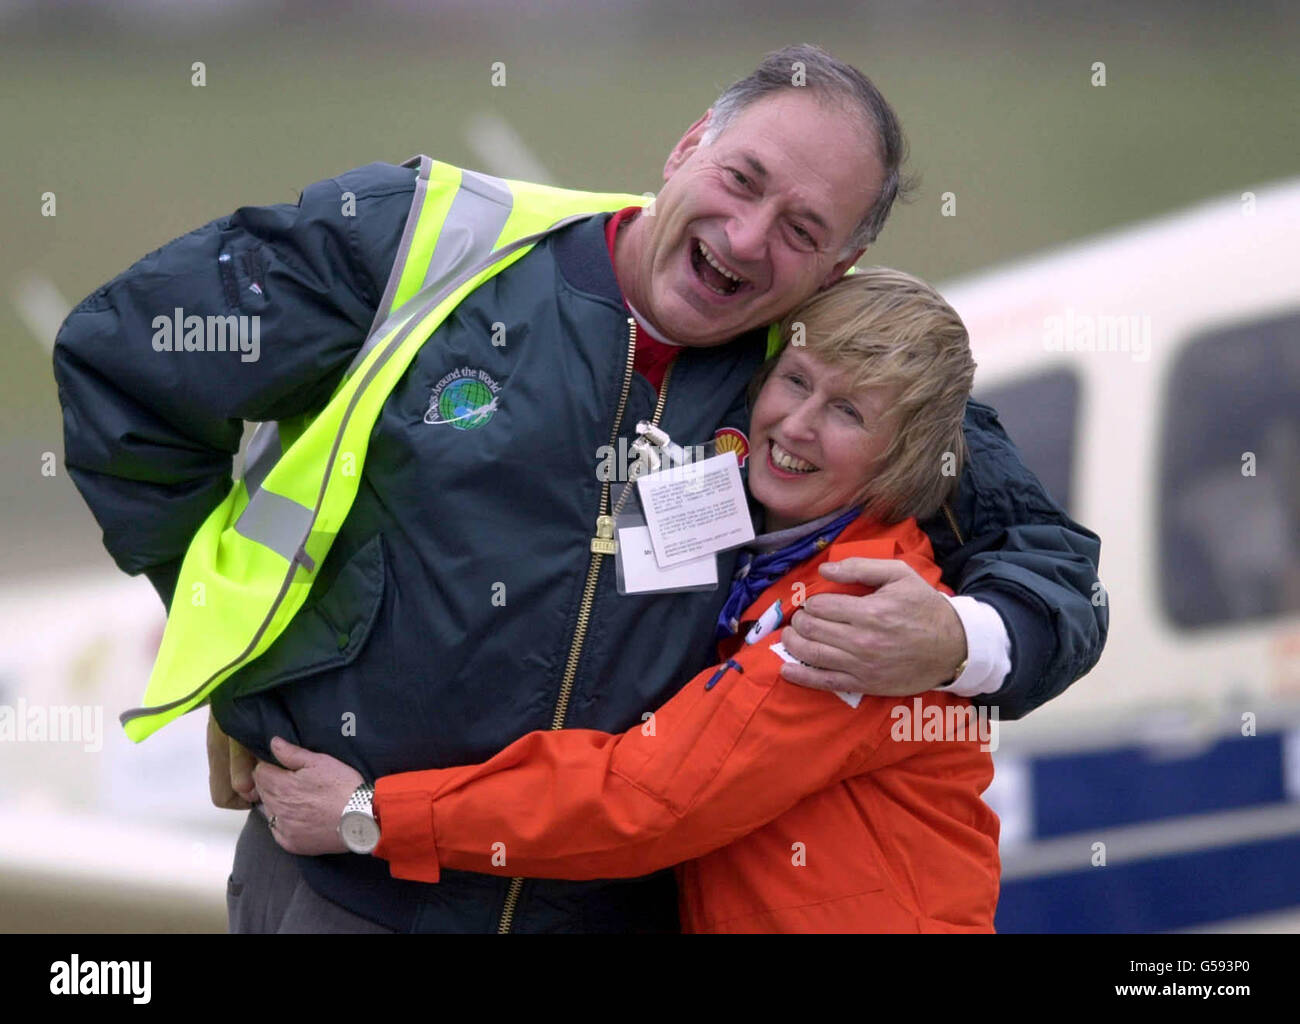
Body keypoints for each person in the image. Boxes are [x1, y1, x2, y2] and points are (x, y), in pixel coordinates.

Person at [53, 45, 1105, 933]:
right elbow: (124, 364)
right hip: (346, 890)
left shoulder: (819, 376)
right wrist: (245, 669)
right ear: (688, 144)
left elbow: (1058, 573)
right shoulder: (425, 245)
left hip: (614, 911)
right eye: (742, 181)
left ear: (844, 262)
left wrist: (961, 642)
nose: (746, 240)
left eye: (801, 229)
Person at [255, 268, 1002, 932]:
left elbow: (647, 803)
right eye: (797, 380)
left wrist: (372, 817)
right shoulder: (768, 548)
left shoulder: (861, 615)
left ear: (904, 455)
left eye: (849, 414)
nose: (797, 424)